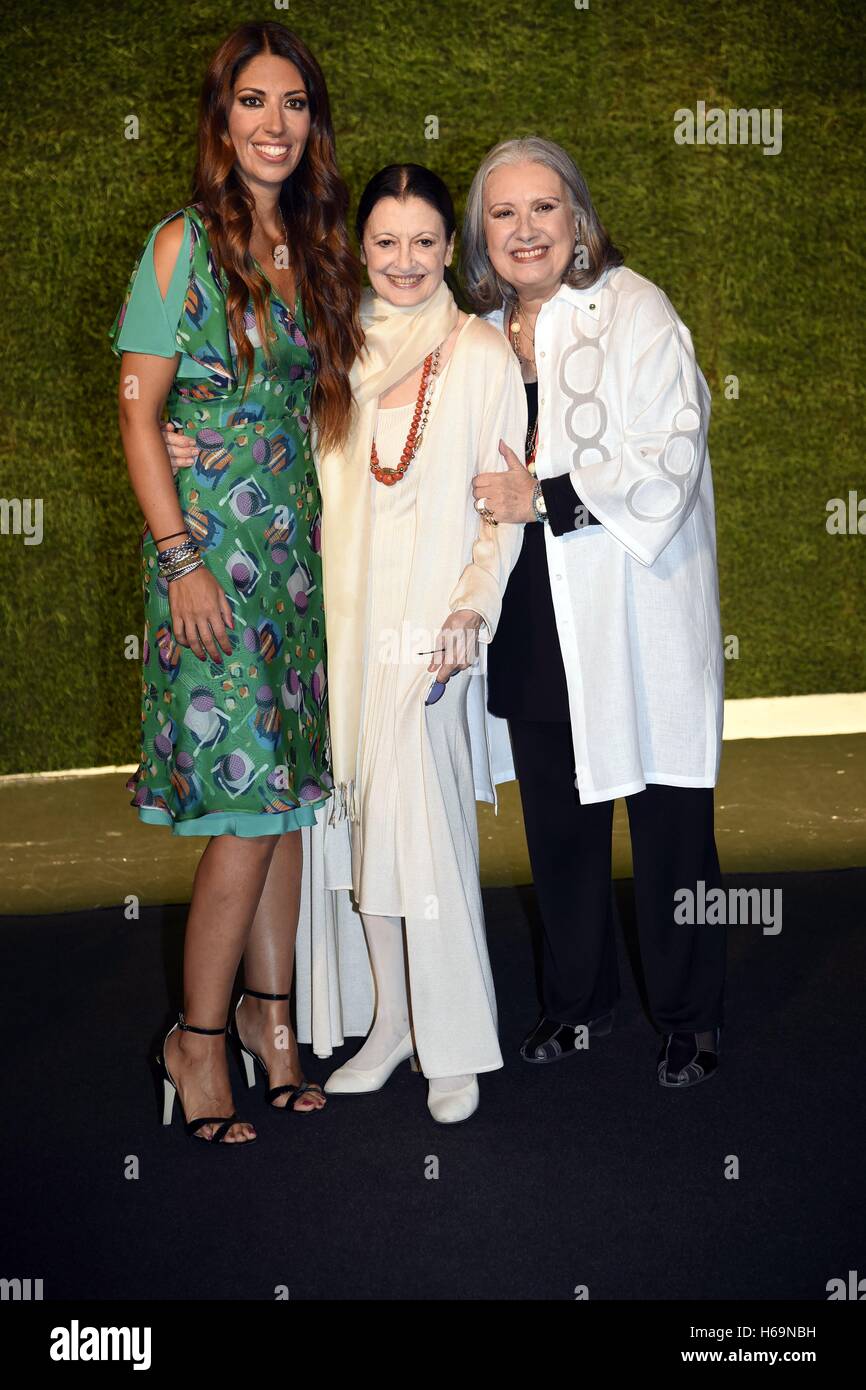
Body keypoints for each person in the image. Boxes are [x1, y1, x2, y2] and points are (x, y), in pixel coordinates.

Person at [167, 164, 527, 1124]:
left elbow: (504, 515)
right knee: (363, 822)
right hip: (340, 625)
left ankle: (455, 1041)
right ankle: (392, 1025)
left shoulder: (482, 356)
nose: (404, 262)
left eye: (423, 243)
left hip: (437, 632)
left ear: (450, 249)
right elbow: (273, 437)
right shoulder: (340, 344)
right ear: (359, 249)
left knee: (428, 827)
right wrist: (193, 441)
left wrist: (470, 615)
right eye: (384, 242)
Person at [110, 21, 363, 1143]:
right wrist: (179, 561)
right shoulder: (179, 245)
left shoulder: (313, 245)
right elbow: (137, 412)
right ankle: (195, 1042)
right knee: (245, 807)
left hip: (291, 568)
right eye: (254, 103)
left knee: (287, 802)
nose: (274, 124)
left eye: (294, 104)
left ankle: (272, 1024)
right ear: (221, 120)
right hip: (209, 562)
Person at [463, 137, 727, 1088]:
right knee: (561, 830)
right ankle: (579, 1006)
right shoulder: (473, 332)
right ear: (479, 234)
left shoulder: (635, 308)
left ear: (577, 218)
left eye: (544, 208)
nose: (525, 229)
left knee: (668, 825)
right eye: (503, 213)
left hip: (633, 601)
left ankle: (692, 1017)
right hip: (534, 611)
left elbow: (674, 450)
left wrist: (549, 499)